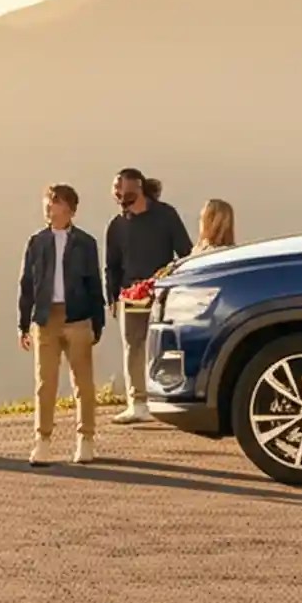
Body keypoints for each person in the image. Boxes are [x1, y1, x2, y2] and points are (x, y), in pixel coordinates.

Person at [17, 184, 105, 466]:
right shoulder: (36, 241)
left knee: (83, 382)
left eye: (54, 202)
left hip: (78, 317)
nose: (48, 207)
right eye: (47, 201)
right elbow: (26, 285)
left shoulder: (85, 243)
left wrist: (97, 323)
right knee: (45, 383)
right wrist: (23, 323)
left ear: (69, 208)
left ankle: (86, 439)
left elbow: (94, 283)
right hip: (46, 318)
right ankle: (42, 442)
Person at [105, 168, 193, 424]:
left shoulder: (166, 215)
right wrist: (112, 298)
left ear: (138, 187)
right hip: (130, 295)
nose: (120, 194)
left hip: (163, 292)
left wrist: (171, 282)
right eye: (116, 191)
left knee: (165, 345)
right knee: (133, 347)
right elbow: (111, 265)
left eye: (123, 189)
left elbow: (184, 252)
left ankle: (168, 397)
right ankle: (137, 402)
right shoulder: (117, 225)